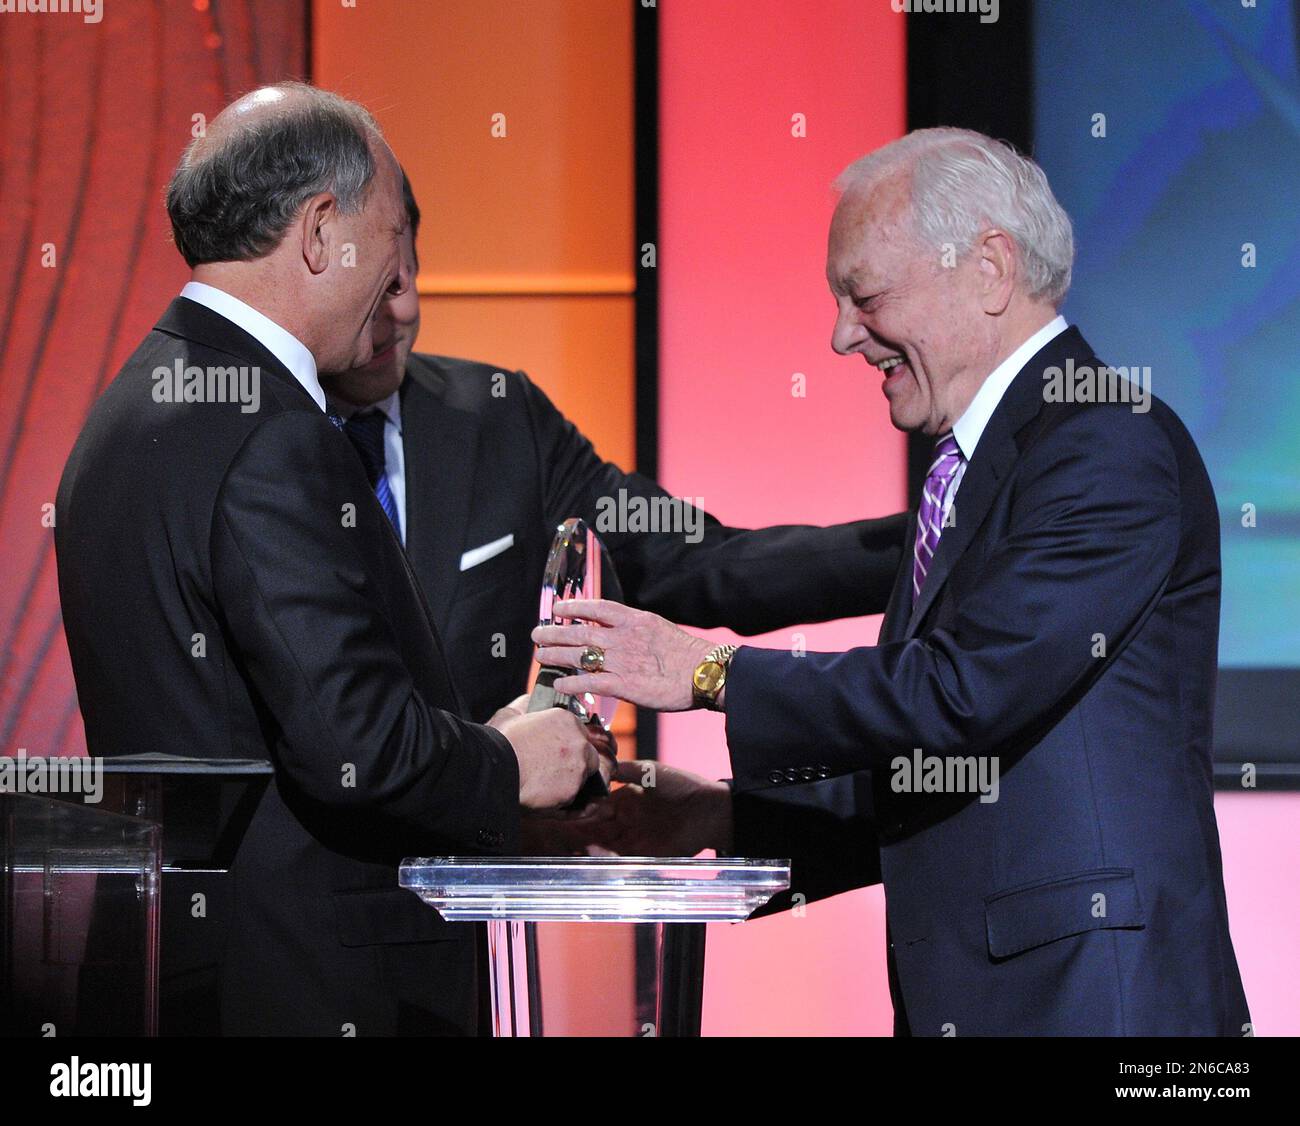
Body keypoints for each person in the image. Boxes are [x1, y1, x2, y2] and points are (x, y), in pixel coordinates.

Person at [534, 128, 1252, 1037]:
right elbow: (955, 768)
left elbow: (964, 692)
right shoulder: (985, 464)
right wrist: (722, 814)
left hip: (1097, 1006)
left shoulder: (1103, 441)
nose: (839, 337)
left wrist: (708, 672)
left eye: (863, 295)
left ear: (989, 269)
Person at [56, 83, 603, 1036]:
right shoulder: (274, 430)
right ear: (320, 234)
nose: (402, 288)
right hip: (306, 987)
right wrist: (507, 759)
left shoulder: (130, 408)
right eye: (392, 243)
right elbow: (353, 741)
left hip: (186, 969)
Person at [316, 170, 908, 727]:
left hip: (468, 831)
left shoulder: (497, 414)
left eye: (405, 281)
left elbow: (698, 561)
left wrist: (927, 546)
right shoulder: (252, 430)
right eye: (374, 293)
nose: (398, 315)